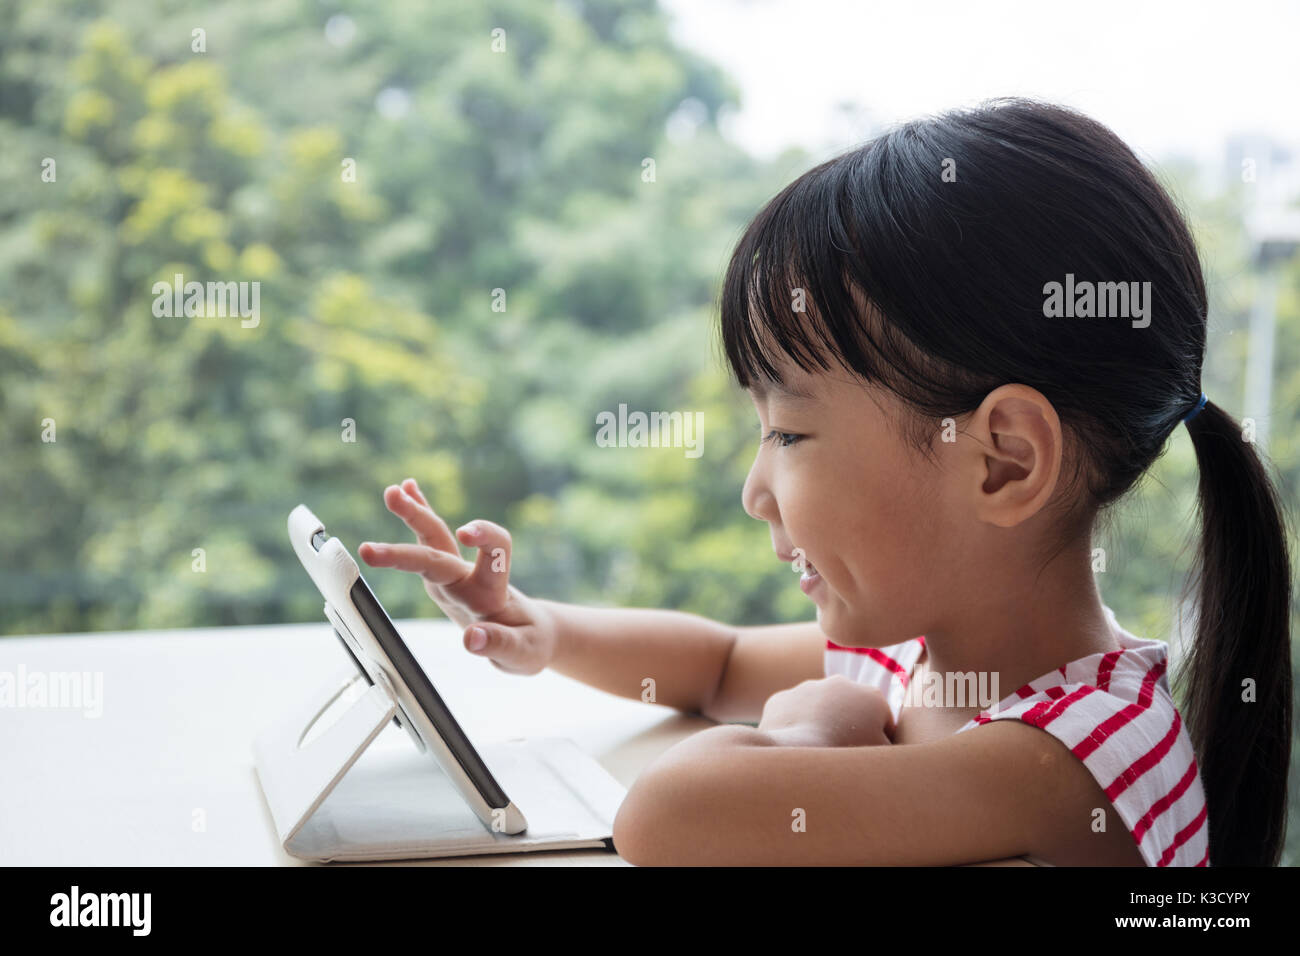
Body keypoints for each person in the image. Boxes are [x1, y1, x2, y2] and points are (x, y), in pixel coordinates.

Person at [359, 99, 1291, 867]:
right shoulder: (921, 660)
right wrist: (543, 627)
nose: (754, 489)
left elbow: (666, 818)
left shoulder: (1074, 757)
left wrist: (815, 729)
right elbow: (714, 665)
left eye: (790, 431)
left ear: (1003, 459)